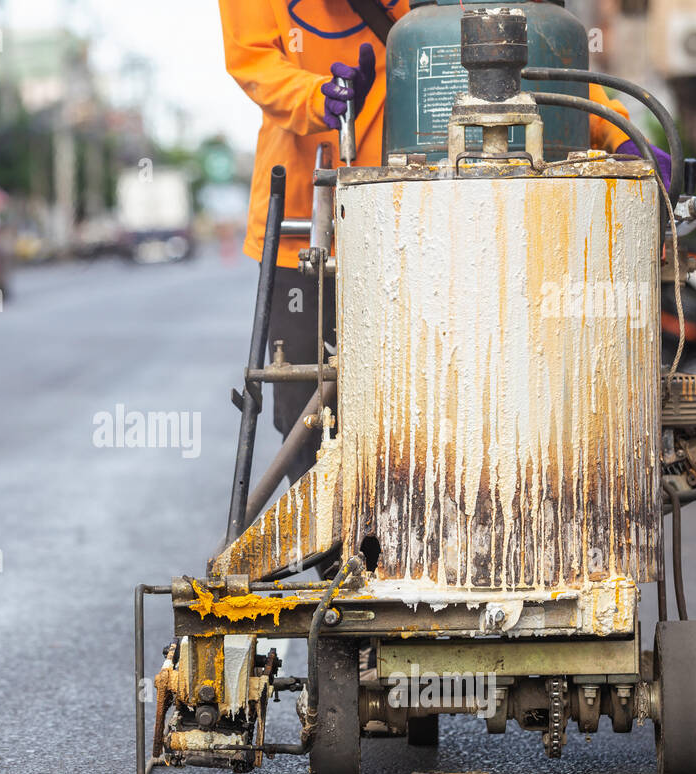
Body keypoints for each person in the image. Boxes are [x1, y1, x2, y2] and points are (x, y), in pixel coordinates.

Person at [218, 0, 673, 484]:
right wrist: (319, 96)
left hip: (432, 217)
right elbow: (254, 61)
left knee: (444, 394)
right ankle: (336, 555)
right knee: (306, 412)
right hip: (313, 220)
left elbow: (513, 39)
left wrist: (611, 127)